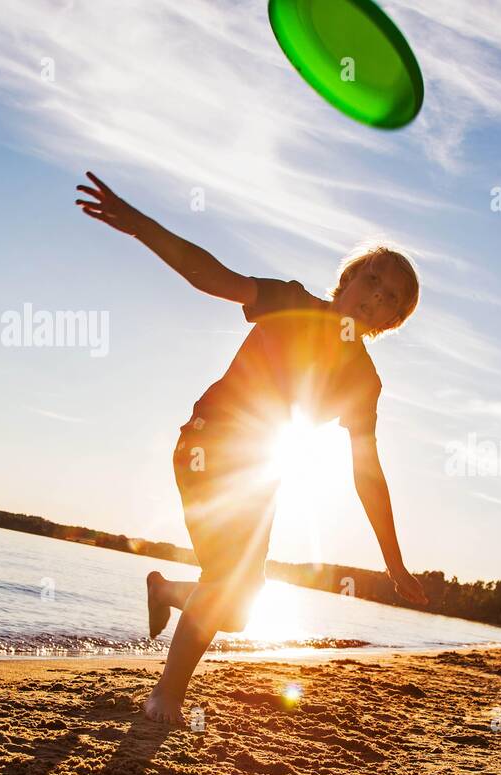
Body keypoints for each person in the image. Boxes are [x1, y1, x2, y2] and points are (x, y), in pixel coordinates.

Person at [76, 172, 428, 724]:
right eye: (373, 280)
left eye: (390, 299)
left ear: (391, 321)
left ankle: (166, 589)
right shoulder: (290, 303)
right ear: (349, 278)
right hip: (208, 443)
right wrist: (140, 225)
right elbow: (214, 276)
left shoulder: (365, 382)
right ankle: (164, 699)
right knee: (226, 583)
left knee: (238, 609)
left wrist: (394, 561)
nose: (376, 297)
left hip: (261, 474)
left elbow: (367, 474)